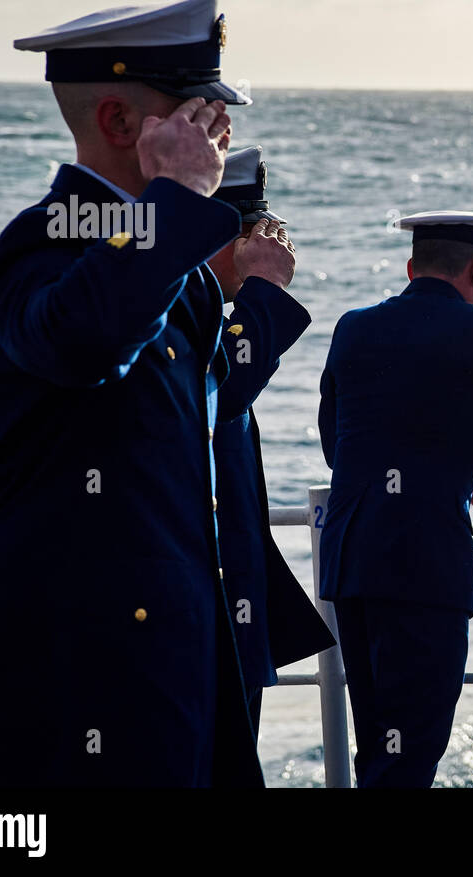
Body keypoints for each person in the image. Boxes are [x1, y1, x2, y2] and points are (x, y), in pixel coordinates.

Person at [0, 0, 263, 787]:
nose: (221, 132)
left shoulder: (168, 266)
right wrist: (176, 205)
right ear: (119, 123)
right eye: (198, 110)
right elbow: (85, 341)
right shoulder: (41, 246)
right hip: (76, 687)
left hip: (171, 678)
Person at [318, 210, 473, 786]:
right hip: (424, 567)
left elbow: (338, 447)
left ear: (412, 267)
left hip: (352, 562)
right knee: (412, 751)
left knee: (378, 744)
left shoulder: (352, 327)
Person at [209, 146, 334, 732]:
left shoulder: (209, 315)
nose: (274, 246)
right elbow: (222, 396)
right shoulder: (182, 314)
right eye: (258, 234)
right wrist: (263, 290)